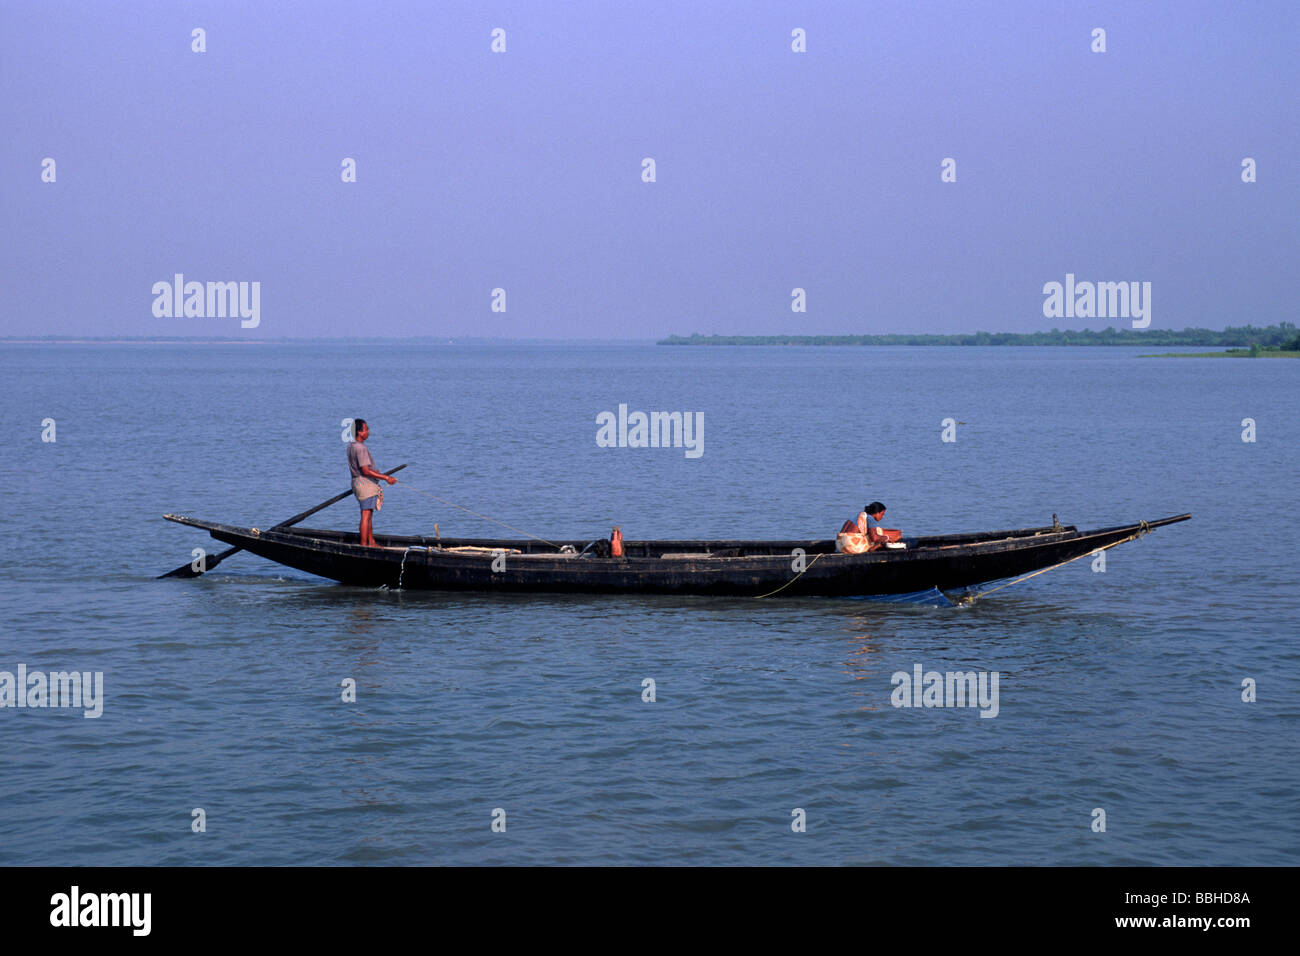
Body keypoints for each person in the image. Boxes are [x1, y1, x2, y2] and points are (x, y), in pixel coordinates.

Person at [347, 418, 396, 548]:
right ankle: (364, 545)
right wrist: (386, 478)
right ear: (359, 432)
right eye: (366, 429)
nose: (368, 431)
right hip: (365, 484)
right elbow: (365, 470)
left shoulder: (351, 446)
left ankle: (371, 542)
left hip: (357, 483)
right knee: (365, 514)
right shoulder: (360, 448)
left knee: (368, 514)